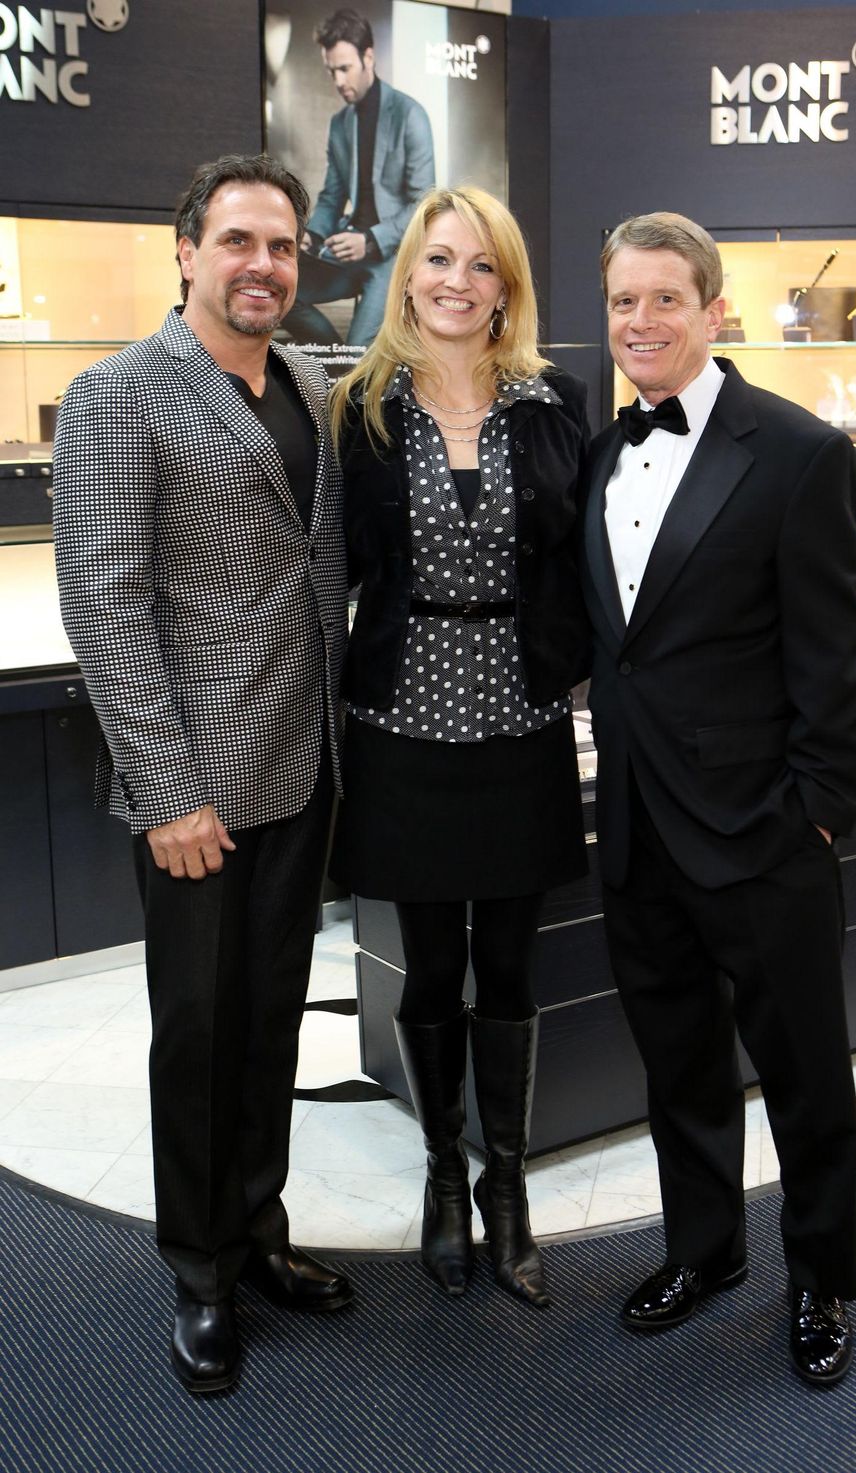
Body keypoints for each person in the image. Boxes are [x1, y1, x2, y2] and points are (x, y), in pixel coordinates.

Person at [52, 154, 352, 1395]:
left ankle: (259, 1229)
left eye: (280, 246)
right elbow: (105, 601)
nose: (261, 266)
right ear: (185, 251)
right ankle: (200, 1272)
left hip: (304, 761)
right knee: (198, 1033)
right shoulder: (119, 393)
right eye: (236, 241)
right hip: (199, 791)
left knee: (271, 1021)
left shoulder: (314, 387)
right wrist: (167, 791)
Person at [582, 212, 856, 1384]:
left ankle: (819, 1281)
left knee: (804, 1072)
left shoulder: (798, 451)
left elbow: (830, 652)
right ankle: (704, 1253)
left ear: (713, 311)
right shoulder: (603, 451)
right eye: (620, 303)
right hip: (638, 826)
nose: (639, 323)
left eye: (663, 300)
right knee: (677, 1061)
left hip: (762, 828)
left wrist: (819, 808)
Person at [328, 186, 591, 1308]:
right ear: (408, 275)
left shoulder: (553, 403)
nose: (455, 282)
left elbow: (586, 562)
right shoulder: (359, 407)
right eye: (437, 260)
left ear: (506, 287)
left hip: (521, 721)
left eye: (480, 267)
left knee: (514, 969)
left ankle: (509, 1186)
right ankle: (445, 1175)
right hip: (400, 725)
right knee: (432, 970)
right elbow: (330, 568)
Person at [282, 8, 435, 349]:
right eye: (331, 70)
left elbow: (425, 204)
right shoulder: (340, 124)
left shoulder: (410, 116)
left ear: (368, 57)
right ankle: (339, 362)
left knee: (360, 349)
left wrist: (370, 240)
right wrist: (314, 233)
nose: (338, 81)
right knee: (281, 292)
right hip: (348, 250)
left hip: (392, 256)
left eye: (345, 69)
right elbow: (333, 194)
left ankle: (350, 362)